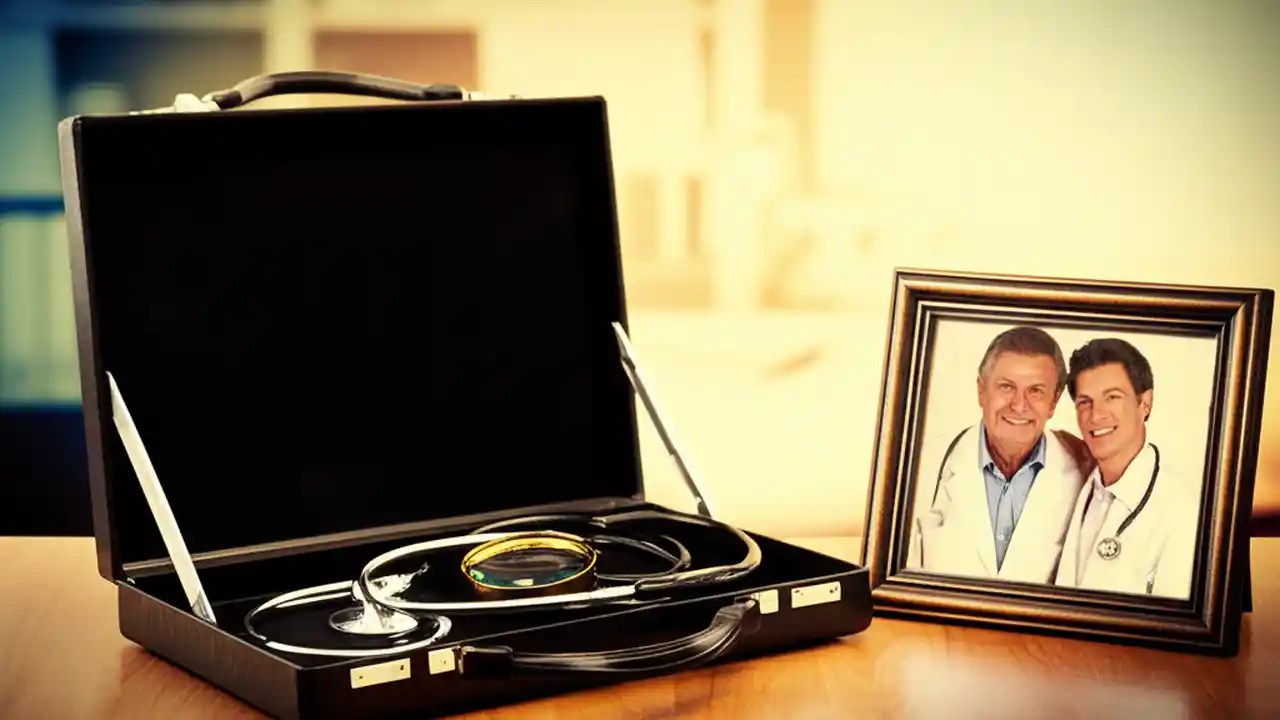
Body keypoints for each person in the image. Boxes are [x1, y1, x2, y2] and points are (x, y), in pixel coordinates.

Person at [906, 326, 1092, 583]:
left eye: (1036, 390)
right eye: (1006, 387)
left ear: (1054, 401)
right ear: (981, 391)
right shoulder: (921, 463)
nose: (1019, 405)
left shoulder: (1086, 476)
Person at [1054, 339, 1199, 599]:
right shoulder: (1081, 488)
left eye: (1112, 397)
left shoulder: (1183, 512)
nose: (1096, 415)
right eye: (1085, 402)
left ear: (1144, 404)